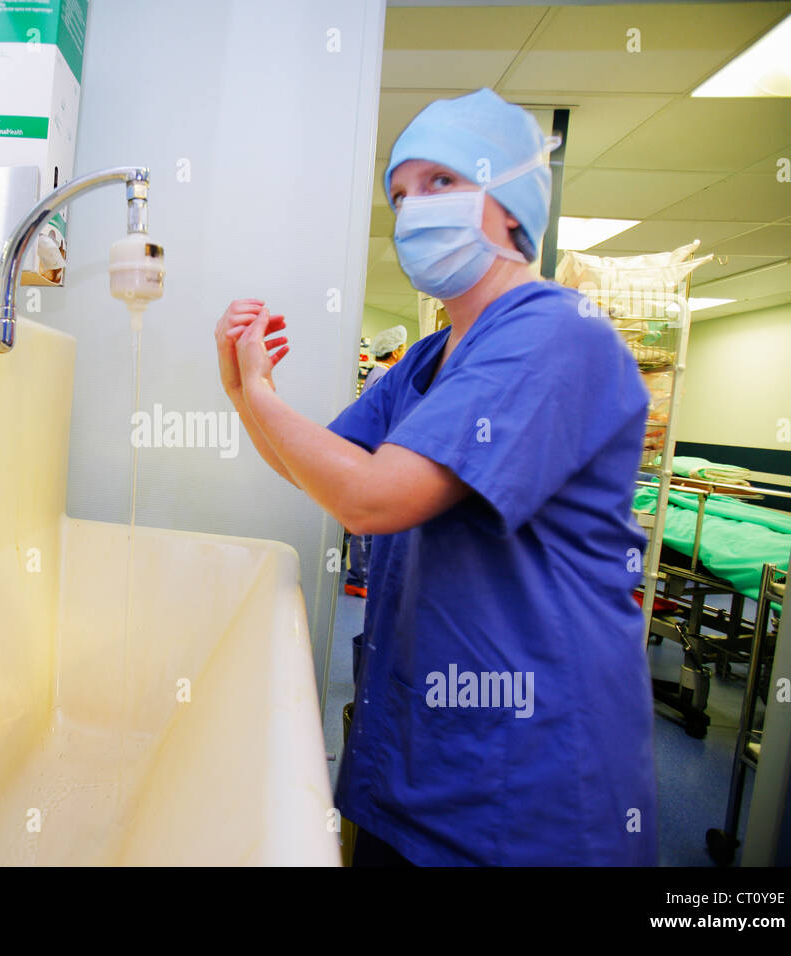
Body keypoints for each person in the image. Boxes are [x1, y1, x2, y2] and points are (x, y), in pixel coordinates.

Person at [213, 87, 657, 866]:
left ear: (512, 205)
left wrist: (254, 396)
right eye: (401, 193)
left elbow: (373, 498)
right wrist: (248, 393)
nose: (414, 207)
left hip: (526, 782)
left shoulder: (555, 334)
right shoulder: (426, 358)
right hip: (417, 762)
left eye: (442, 183)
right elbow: (317, 469)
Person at [344, 326, 407, 597]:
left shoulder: (374, 375)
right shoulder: (386, 378)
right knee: (367, 526)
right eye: (403, 349)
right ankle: (360, 580)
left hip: (364, 455)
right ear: (396, 351)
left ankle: (358, 576)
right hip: (374, 457)